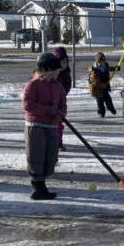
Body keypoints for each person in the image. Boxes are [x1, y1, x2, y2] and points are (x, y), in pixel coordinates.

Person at [21, 53, 67, 200]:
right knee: (37, 155)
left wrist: (61, 113)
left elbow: (62, 104)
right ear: (48, 70)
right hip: (36, 125)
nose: (59, 72)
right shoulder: (33, 84)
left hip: (52, 126)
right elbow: (27, 104)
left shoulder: (58, 85)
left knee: (51, 157)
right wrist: (46, 109)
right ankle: (38, 187)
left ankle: (42, 182)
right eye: (56, 70)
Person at [88, 52, 119, 117]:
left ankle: (111, 108)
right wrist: (104, 85)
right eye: (100, 62)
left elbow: (109, 68)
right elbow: (96, 82)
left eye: (103, 62)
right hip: (96, 89)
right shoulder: (94, 71)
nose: (101, 64)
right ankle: (101, 112)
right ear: (96, 63)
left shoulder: (105, 67)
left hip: (104, 87)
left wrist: (115, 69)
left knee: (108, 98)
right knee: (100, 101)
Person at [53, 47, 71, 151]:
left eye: (65, 62)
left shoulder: (67, 75)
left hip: (60, 102)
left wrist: (61, 95)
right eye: (60, 62)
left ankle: (59, 144)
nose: (62, 65)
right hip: (50, 102)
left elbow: (67, 88)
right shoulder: (51, 74)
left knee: (59, 124)